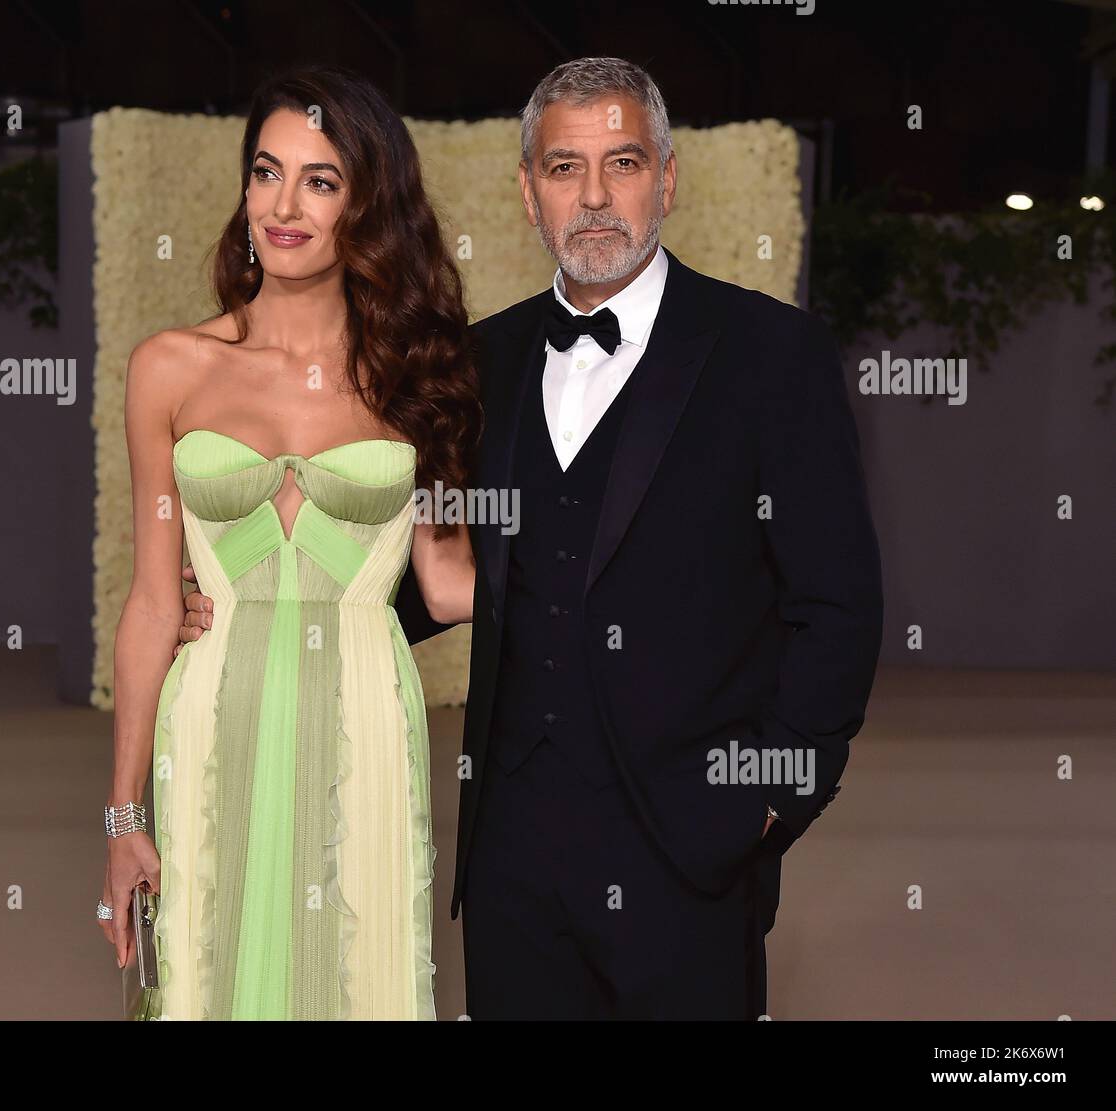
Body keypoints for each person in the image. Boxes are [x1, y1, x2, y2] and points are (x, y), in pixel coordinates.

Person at [179, 56, 885, 1020]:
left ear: (667, 179)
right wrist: (246, 607)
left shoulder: (771, 355)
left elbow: (838, 605)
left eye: (623, 163)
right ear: (527, 192)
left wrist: (767, 801)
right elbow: (434, 578)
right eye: (563, 168)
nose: (594, 197)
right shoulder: (477, 361)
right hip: (513, 862)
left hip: (692, 849)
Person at [99, 64, 479, 1021]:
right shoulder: (170, 369)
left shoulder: (422, 376)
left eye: (320, 180)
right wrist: (122, 813)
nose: (284, 204)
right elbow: (152, 600)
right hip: (211, 717)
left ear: (369, 207)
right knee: (206, 980)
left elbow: (447, 582)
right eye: (267, 172)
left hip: (365, 724)